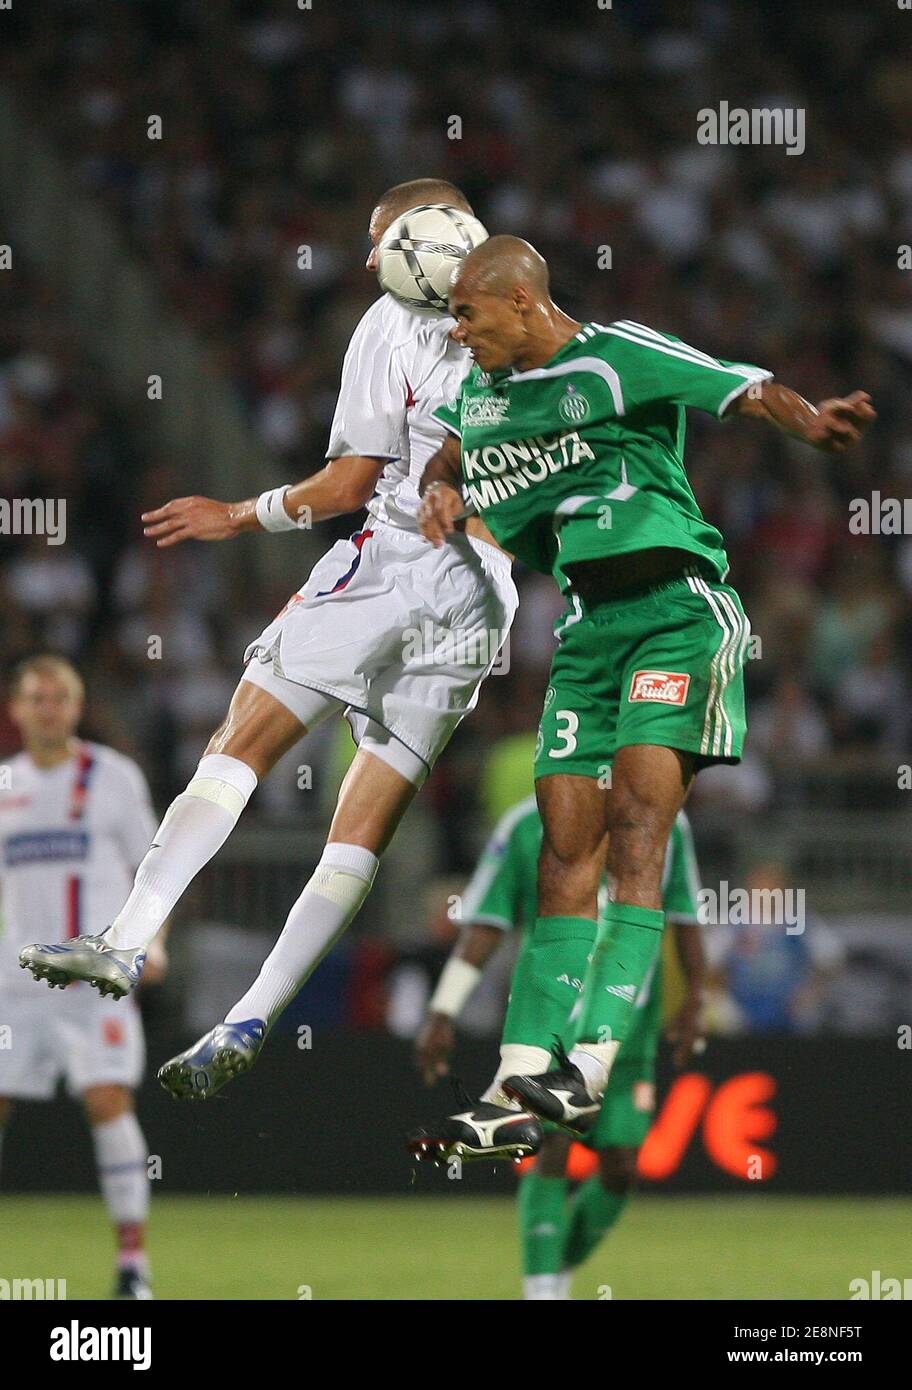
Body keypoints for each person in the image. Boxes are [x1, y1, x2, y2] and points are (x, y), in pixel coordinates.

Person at [20, 181, 517, 1103]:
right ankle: (254, 1012)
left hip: (400, 553)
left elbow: (347, 485)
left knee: (239, 745)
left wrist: (239, 515)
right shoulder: (542, 327)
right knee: (361, 827)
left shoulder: (387, 325)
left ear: (414, 244)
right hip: (486, 596)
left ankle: (126, 937)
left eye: (378, 244)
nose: (368, 262)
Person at [417, 234, 874, 1138]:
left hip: (677, 613)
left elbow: (738, 384)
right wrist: (439, 489)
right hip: (586, 635)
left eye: (466, 313)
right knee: (562, 854)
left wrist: (809, 420)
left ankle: (588, 1066)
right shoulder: (480, 398)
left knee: (636, 827)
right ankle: (514, 1091)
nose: (457, 332)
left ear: (519, 302)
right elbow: (449, 450)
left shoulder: (618, 355)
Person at [413, 796, 704, 1299]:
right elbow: (487, 922)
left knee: (621, 1168)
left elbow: (684, 911)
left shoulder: (667, 820)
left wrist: (696, 997)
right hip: (550, 1026)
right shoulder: (528, 822)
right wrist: (443, 1010)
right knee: (549, 1145)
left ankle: (556, 1266)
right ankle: (543, 1289)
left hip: (629, 1031)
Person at [0, 655, 166, 1298]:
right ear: (15, 710)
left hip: (92, 982)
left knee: (107, 1100)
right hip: (14, 986)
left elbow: (154, 869)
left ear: (77, 706)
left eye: (61, 698)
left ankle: (133, 1266)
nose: (49, 709)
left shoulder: (112, 777)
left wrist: (153, 946)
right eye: (37, 699)